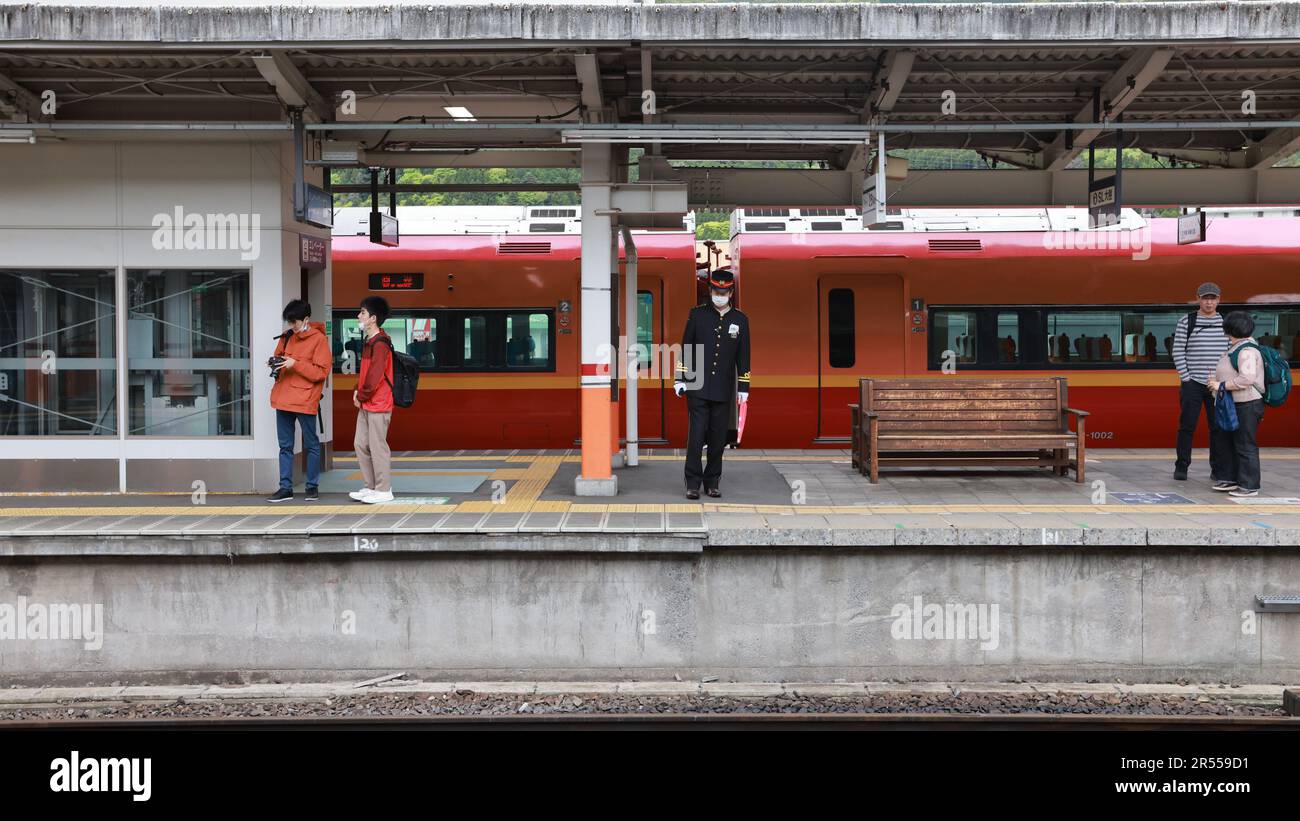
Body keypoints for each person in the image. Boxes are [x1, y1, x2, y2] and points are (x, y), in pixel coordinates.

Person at [674, 268, 750, 499]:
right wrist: (680, 377)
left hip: (723, 388)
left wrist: (744, 387)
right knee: (696, 437)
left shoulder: (740, 319)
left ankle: (712, 482)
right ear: (710, 291)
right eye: (716, 291)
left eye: (724, 292)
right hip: (696, 386)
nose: (720, 295)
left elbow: (743, 357)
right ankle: (692, 483)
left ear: (731, 292)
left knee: (718, 439)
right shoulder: (697, 315)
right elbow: (687, 347)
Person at [266, 300, 331, 503]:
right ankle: (285, 488)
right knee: (285, 446)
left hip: (305, 399)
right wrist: (274, 363)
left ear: (306, 319)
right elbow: (278, 357)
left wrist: (296, 364)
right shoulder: (286, 338)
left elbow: (321, 372)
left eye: (294, 322)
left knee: (311, 444)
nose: (292, 326)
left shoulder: (319, 340)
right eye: (290, 322)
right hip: (283, 397)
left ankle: (312, 486)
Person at [1172, 282, 1231, 482]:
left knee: (1217, 428)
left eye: (1213, 298)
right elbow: (1178, 350)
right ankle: (1181, 466)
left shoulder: (1226, 323)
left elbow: (1232, 352)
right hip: (1193, 384)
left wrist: (1225, 381)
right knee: (1187, 426)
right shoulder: (1186, 321)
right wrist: (1186, 378)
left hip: (1219, 386)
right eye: (1205, 298)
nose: (1209, 302)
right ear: (1198, 298)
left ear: (1219, 300)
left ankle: (1217, 468)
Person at [1207, 311, 1266, 497]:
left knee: (1244, 444)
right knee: (1228, 442)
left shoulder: (1247, 351)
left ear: (1231, 329)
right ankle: (1231, 479)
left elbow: (1246, 379)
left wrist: (1221, 385)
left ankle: (1249, 486)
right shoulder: (1235, 348)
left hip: (1247, 404)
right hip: (1233, 403)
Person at [352, 296, 395, 504]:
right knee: (360, 444)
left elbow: (375, 376)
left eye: (362, 312)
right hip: (367, 402)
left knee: (377, 446)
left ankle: (384, 489)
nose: (359, 316)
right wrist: (357, 392)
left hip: (378, 404)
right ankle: (370, 487)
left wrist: (360, 395)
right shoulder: (369, 342)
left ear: (373, 318)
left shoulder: (380, 344)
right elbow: (365, 373)